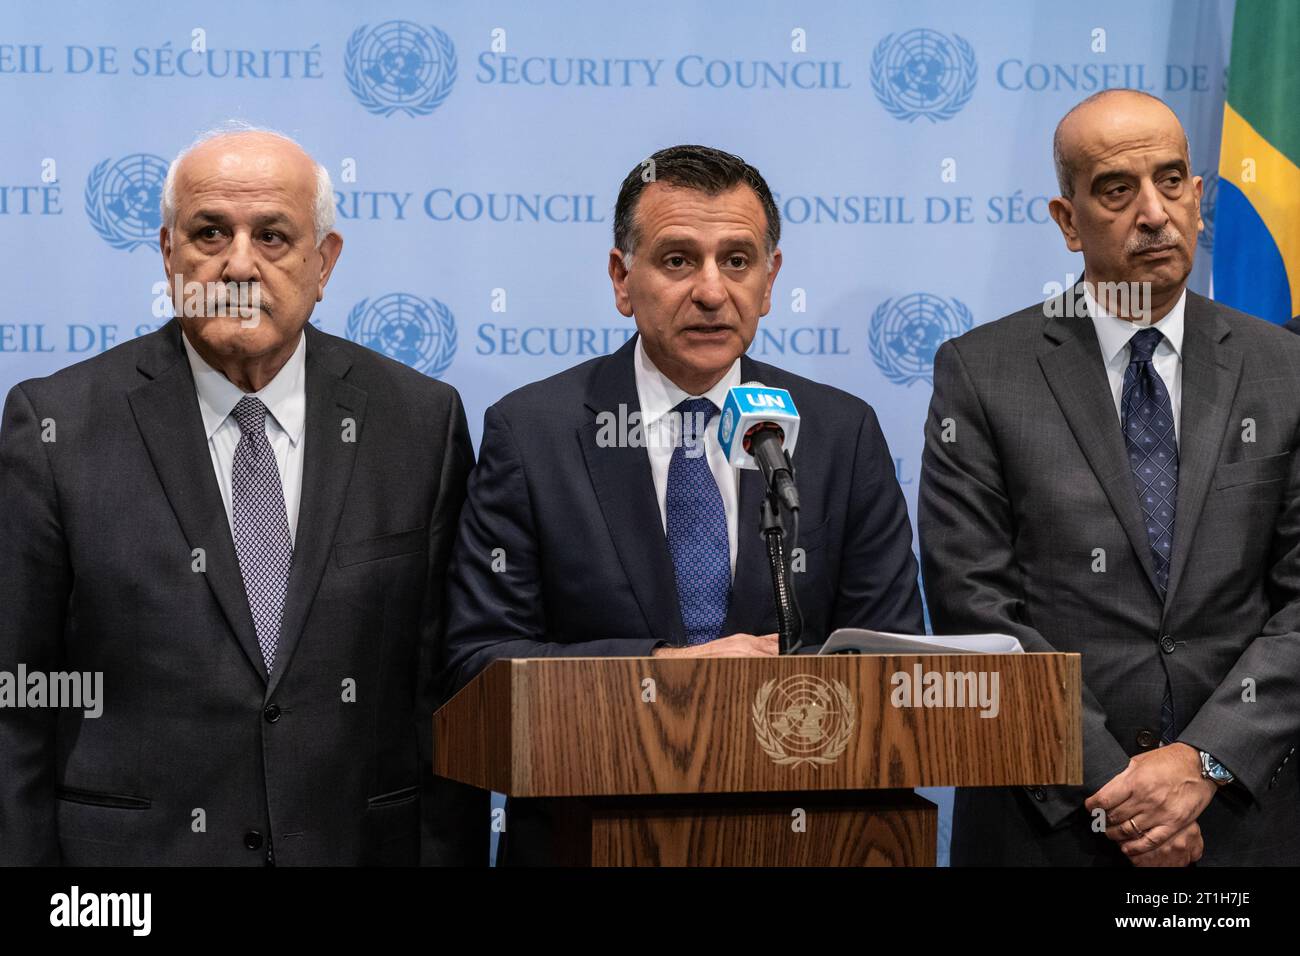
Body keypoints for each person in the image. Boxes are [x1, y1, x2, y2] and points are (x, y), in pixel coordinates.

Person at [0, 124, 485, 865]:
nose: (237, 264)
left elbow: (442, 699)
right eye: (209, 233)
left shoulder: (420, 422)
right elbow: (20, 702)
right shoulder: (57, 424)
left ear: (324, 262)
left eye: (273, 236)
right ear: (169, 255)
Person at [443, 144, 924, 864]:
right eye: (676, 260)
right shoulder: (534, 432)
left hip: (804, 839)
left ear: (770, 281)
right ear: (620, 277)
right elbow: (480, 664)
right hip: (591, 837)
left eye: (737, 260)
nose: (710, 290)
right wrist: (674, 670)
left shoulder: (838, 431)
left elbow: (892, 662)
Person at [920, 90, 1300, 865]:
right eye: (1116, 190)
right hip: (1049, 819)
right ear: (1067, 221)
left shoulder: (1284, 368)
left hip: (1240, 821)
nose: (1152, 213)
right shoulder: (983, 371)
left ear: (1200, 199)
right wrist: (1120, 791)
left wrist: (1202, 763)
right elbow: (975, 606)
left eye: (1170, 181)